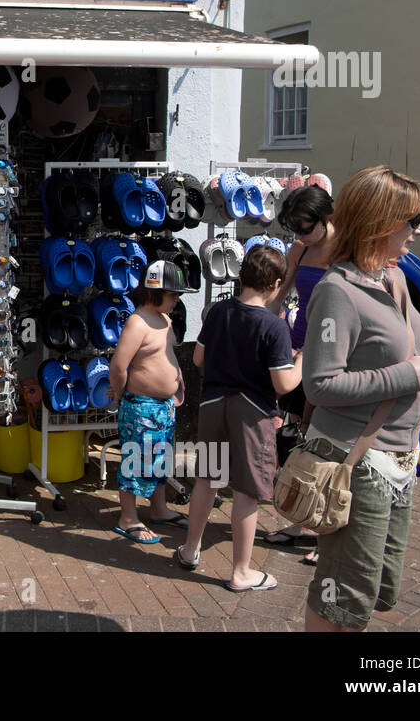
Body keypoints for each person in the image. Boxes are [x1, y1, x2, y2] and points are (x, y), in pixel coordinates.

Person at [301, 166, 420, 632]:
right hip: (361, 460)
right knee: (344, 593)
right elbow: (320, 385)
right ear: (380, 221)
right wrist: (409, 373)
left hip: (400, 457)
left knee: (376, 589)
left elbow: (405, 356)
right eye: (412, 221)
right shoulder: (338, 290)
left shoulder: (391, 280)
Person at [179, 245, 301, 591]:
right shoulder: (275, 327)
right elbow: (283, 383)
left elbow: (200, 359)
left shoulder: (218, 312)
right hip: (253, 414)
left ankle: (190, 550)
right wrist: (302, 361)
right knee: (246, 491)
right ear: (276, 283)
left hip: (214, 405)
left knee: (207, 479)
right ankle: (242, 571)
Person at [263, 185, 336, 560]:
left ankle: (327, 531)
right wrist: (260, 325)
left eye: (306, 227)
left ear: (326, 217)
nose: (301, 235)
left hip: (333, 353)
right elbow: (280, 296)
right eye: (294, 229)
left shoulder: (347, 249)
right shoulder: (301, 248)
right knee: (297, 436)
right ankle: (301, 517)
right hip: (300, 348)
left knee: (327, 439)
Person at [107, 260, 192, 544]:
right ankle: (128, 517)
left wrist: (176, 378)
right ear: (154, 292)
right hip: (140, 405)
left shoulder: (165, 320)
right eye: (173, 295)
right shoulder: (138, 322)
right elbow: (119, 365)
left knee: (161, 458)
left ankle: (159, 508)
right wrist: (119, 394)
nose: (177, 300)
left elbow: (167, 354)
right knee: (135, 459)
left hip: (164, 405)